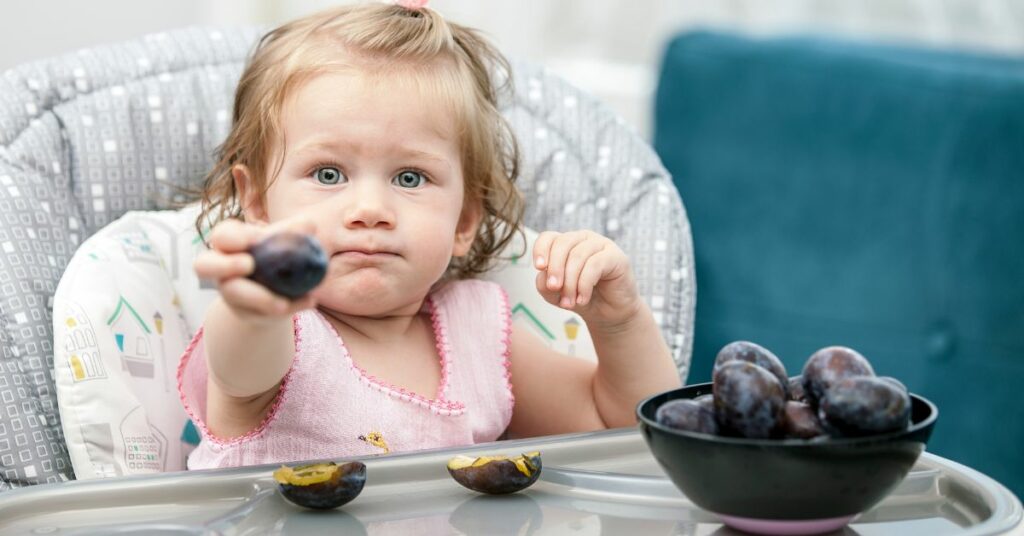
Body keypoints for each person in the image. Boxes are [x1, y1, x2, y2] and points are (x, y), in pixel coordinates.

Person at [179, 0, 680, 470]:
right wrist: (254, 306)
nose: (370, 210)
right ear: (260, 204)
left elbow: (629, 435)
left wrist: (618, 322)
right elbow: (242, 364)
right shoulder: (280, 333)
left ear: (464, 220)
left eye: (410, 178)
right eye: (328, 174)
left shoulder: (481, 338)